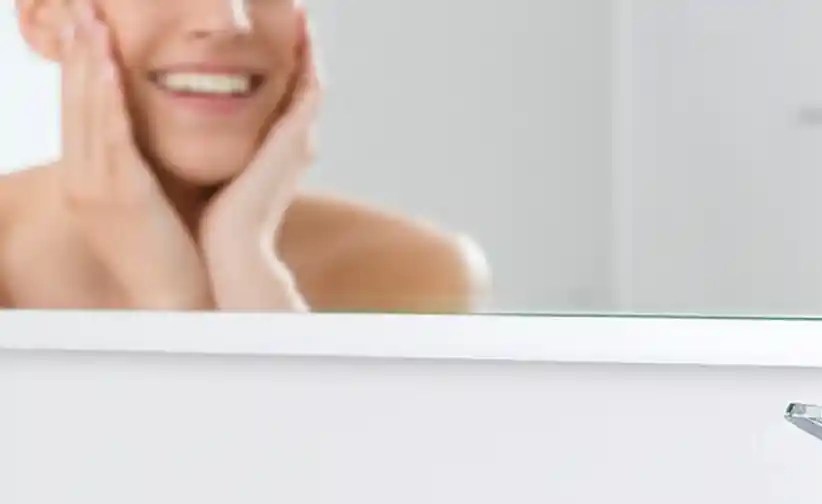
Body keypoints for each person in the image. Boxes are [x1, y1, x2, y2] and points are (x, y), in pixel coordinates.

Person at [0, 0, 489, 312]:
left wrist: (248, 272)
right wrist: (176, 301)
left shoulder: (409, 271)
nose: (227, 18)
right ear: (46, 17)